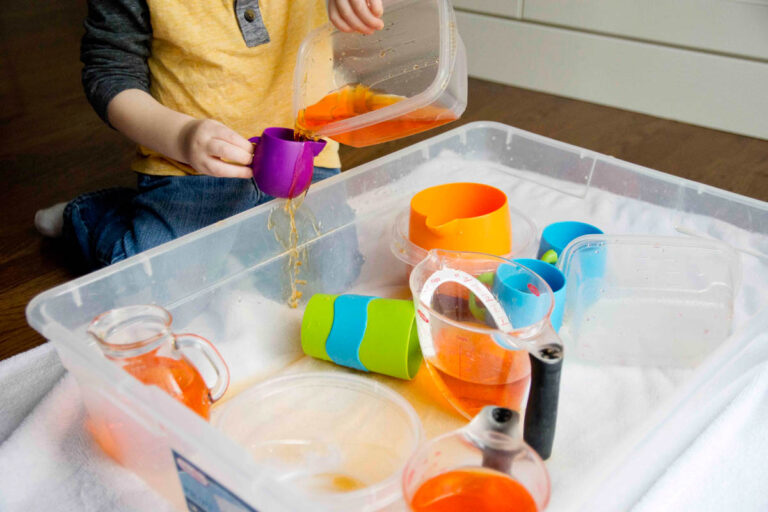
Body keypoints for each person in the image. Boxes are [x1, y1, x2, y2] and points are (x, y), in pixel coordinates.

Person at [34, 0, 383, 270]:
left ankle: (228, 244)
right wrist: (182, 136)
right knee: (154, 281)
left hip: (301, 157)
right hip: (190, 165)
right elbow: (109, 72)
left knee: (336, 270)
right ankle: (91, 216)